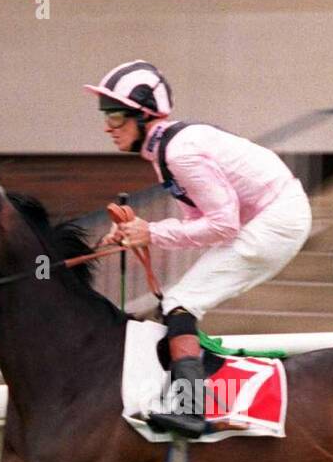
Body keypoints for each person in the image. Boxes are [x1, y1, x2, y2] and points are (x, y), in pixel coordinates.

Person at [85, 60, 312, 437]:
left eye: (116, 116)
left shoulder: (179, 153)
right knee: (179, 300)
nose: (107, 126)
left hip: (277, 219)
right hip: (275, 216)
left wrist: (150, 232)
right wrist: (137, 232)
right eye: (105, 115)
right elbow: (203, 226)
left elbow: (224, 225)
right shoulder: (169, 151)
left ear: (143, 115)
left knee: (181, 302)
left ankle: (191, 409)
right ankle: (190, 396)